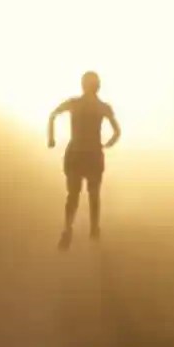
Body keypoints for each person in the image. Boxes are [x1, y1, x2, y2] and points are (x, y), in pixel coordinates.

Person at [47, 71, 120, 249]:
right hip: (93, 155)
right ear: (98, 86)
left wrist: (51, 138)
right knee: (93, 195)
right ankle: (94, 228)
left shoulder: (74, 103)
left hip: (76, 154)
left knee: (73, 195)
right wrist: (107, 144)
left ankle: (67, 228)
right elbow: (117, 131)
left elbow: (53, 115)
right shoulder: (103, 107)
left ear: (83, 85)